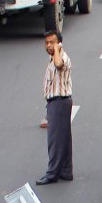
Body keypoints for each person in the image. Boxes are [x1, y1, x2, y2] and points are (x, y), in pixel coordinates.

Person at [36, 30, 73, 186]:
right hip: (56, 102)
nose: (49, 45)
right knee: (63, 138)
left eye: (52, 42)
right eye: (47, 43)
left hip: (59, 102)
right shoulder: (52, 59)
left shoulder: (62, 57)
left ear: (59, 43)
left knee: (55, 140)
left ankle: (52, 173)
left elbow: (59, 65)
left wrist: (57, 50)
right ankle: (65, 170)